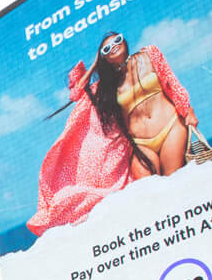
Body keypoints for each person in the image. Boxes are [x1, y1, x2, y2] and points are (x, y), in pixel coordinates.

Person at [33, 32, 198, 235]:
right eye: (107, 48)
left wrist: (188, 111)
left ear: (125, 41)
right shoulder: (107, 87)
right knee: (151, 192)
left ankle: (186, 231)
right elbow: (76, 92)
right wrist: (96, 63)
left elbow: (171, 82)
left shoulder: (149, 54)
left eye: (117, 40)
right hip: (141, 143)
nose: (114, 46)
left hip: (170, 127)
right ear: (103, 57)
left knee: (174, 183)